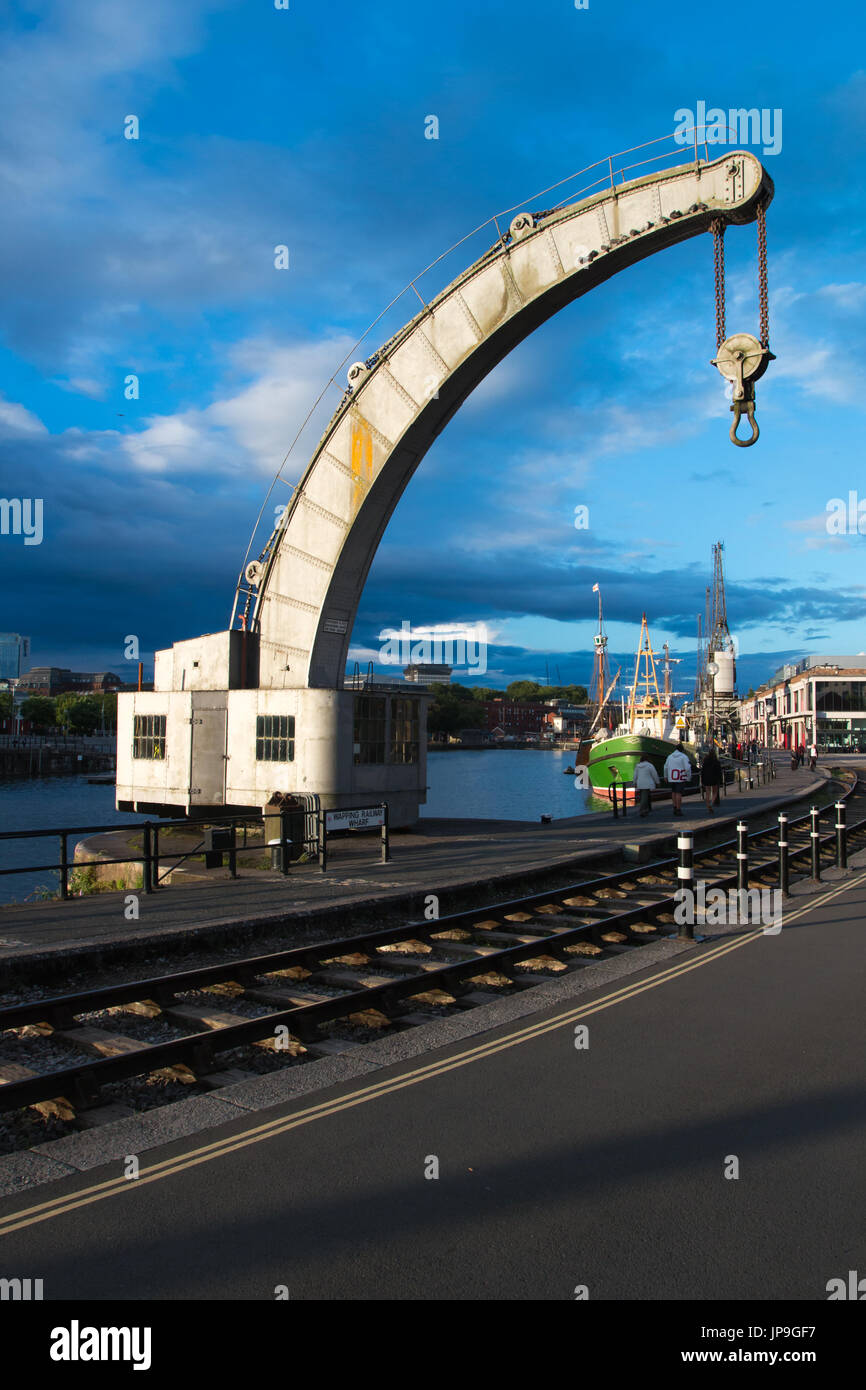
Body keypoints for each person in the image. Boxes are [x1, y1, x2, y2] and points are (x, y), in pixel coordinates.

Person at [663, 744, 692, 817]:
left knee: (673, 792)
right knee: (679, 793)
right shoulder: (684, 757)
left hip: (671, 777)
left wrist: (665, 776)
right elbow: (687, 768)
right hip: (680, 777)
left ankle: (675, 807)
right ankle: (678, 809)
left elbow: (665, 767)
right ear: (682, 750)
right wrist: (688, 777)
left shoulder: (670, 756)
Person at [700, 748, 722, 814]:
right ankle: (712, 803)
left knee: (707, 793)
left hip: (707, 778)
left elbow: (702, 771)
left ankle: (708, 805)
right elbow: (719, 772)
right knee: (715, 792)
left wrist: (702, 779)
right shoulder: (717, 761)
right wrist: (720, 779)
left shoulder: (705, 761)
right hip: (714, 778)